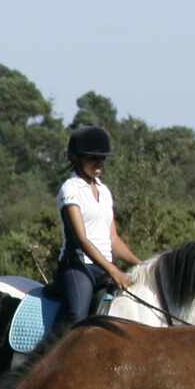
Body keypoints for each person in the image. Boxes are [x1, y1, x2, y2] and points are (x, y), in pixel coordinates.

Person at [52, 125, 138, 331]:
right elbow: (82, 239)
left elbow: (114, 240)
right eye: (92, 158)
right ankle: (52, 356)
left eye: (102, 158)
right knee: (78, 316)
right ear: (77, 159)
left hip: (104, 267)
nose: (99, 163)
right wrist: (114, 271)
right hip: (78, 267)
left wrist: (141, 264)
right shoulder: (70, 189)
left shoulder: (104, 191)